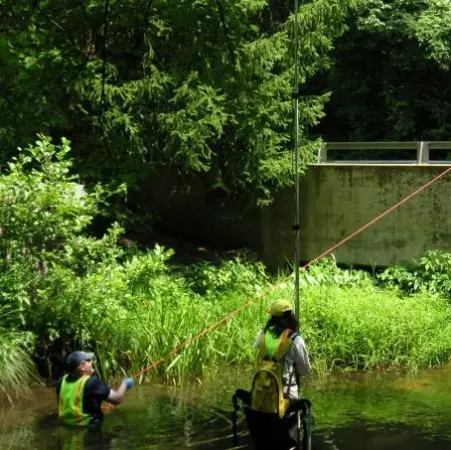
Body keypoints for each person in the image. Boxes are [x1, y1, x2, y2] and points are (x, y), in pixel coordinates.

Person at [56, 351, 133, 427]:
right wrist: (125, 384)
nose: (92, 362)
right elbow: (117, 399)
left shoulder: (61, 381)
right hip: (88, 429)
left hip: (65, 425)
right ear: (82, 366)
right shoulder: (92, 382)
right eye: (88, 361)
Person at [257, 299, 311, 402]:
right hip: (287, 398)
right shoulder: (295, 340)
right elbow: (304, 371)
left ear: (271, 317)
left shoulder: (261, 337)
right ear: (291, 317)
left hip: (261, 396)